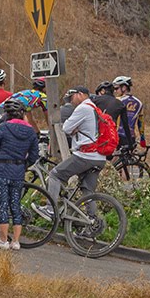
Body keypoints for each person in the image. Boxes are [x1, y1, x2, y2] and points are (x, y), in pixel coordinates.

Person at [40, 86, 105, 218]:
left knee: (55, 175)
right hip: (99, 157)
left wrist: (73, 128)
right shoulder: (94, 108)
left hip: (85, 155)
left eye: (72, 97)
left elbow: (66, 128)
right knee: (88, 191)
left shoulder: (83, 108)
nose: (71, 101)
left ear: (80, 94)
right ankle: (92, 222)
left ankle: (50, 209)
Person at [0, 98, 40, 250]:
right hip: (18, 172)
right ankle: (16, 241)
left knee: (2, 204)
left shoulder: (3, 128)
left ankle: (3, 240)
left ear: (7, 114)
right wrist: (24, 165)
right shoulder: (30, 131)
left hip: (1, 169)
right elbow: (34, 155)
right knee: (15, 204)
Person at [90, 81, 131, 151]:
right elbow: (126, 126)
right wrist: (130, 143)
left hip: (93, 137)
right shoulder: (120, 104)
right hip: (110, 137)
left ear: (102, 91)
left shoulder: (94, 101)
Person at [113, 76, 146, 148]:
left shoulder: (117, 101)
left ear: (124, 87)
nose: (115, 91)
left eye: (116, 88)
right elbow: (141, 122)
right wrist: (142, 138)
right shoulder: (139, 102)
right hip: (131, 137)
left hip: (117, 136)